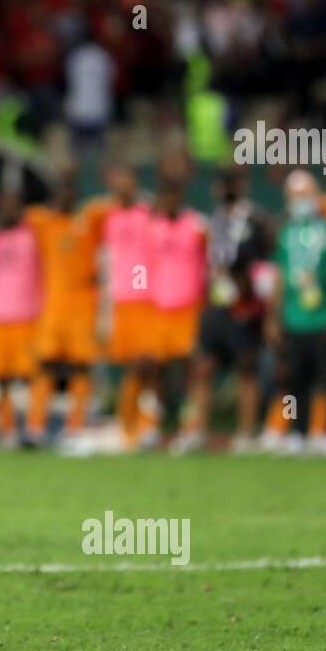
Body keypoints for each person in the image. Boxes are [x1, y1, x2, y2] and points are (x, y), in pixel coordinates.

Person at [176, 170, 272, 453]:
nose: (226, 189)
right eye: (223, 184)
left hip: (244, 305)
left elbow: (263, 259)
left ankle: (245, 432)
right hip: (217, 303)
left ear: (242, 185)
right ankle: (197, 430)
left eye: (232, 183)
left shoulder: (254, 218)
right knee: (203, 368)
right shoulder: (214, 219)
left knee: (246, 368)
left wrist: (249, 289)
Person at [24, 173, 108, 447]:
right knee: (45, 366)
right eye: (61, 191)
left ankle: (75, 428)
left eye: (70, 190)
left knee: (81, 368)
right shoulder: (44, 222)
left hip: (83, 307)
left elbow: (114, 206)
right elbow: (21, 215)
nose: (65, 196)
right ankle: (35, 427)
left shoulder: (89, 221)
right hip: (53, 306)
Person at [266, 170, 326, 454]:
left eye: (306, 194)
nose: (301, 201)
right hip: (294, 315)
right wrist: (273, 316)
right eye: (296, 196)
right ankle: (296, 430)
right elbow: (278, 275)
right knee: (295, 379)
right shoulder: (286, 231)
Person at [146, 174, 207, 453]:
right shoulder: (153, 228)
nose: (168, 202)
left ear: (180, 199)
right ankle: (153, 424)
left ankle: (190, 427)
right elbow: (143, 267)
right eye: (164, 196)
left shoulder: (196, 226)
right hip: (158, 307)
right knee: (155, 370)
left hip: (187, 308)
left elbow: (208, 264)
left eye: (173, 196)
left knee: (190, 371)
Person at [0, 187, 43, 445]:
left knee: (31, 375)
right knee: (1, 377)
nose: (8, 211)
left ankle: (35, 427)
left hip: (27, 315)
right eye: (3, 205)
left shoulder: (32, 236)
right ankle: (7, 429)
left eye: (13, 205)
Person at [102, 163, 156, 449]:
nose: (122, 187)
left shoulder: (148, 213)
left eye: (126, 180)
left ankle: (143, 425)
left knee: (146, 364)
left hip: (145, 298)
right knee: (130, 368)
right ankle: (130, 426)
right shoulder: (106, 216)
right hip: (120, 299)